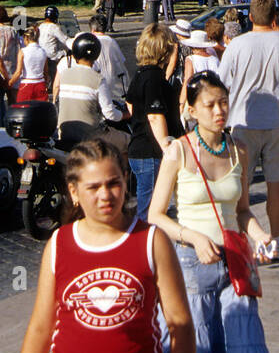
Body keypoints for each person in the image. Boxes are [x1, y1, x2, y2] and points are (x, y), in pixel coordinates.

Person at [11, 138, 195, 353]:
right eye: (93, 187)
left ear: (125, 181)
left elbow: (180, 322)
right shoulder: (59, 245)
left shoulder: (152, 241)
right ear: (73, 192)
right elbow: (40, 328)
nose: (105, 195)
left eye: (113, 183)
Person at [149, 72, 274, 353]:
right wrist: (192, 237)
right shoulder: (178, 151)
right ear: (191, 110)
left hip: (235, 265)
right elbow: (155, 215)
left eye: (223, 102)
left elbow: (243, 210)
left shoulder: (239, 150)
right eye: (209, 104)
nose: (219, 111)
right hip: (191, 267)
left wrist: (261, 236)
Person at [218, 0, 279, 262]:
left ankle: (248, 240)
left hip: (242, 122)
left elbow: (222, 84)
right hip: (277, 121)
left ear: (251, 17)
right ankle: (276, 239)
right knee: (275, 183)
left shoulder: (236, 45)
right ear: (274, 15)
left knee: (242, 187)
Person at [125, 25, 183, 219]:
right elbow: (155, 115)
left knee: (149, 204)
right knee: (151, 210)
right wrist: (166, 146)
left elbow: (131, 105)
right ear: (164, 49)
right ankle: (146, 245)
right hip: (151, 152)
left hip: (139, 147)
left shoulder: (141, 73)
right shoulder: (154, 78)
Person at [53, 34, 125, 147]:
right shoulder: (98, 79)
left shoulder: (65, 74)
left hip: (65, 133)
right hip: (90, 136)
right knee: (127, 140)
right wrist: (127, 114)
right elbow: (110, 114)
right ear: (96, 54)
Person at [89, 15, 130, 101]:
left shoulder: (90, 41)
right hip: (111, 81)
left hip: (94, 80)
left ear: (92, 29)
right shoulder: (111, 41)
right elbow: (121, 61)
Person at [11, 25, 49, 104]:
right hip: (40, 83)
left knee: (22, 109)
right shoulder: (43, 51)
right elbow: (46, 72)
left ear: (26, 38)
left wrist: (10, 82)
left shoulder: (23, 51)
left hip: (27, 84)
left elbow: (18, 72)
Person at [38, 6, 71, 87]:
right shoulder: (54, 27)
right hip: (51, 56)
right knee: (63, 53)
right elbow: (64, 39)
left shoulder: (41, 26)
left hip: (42, 54)